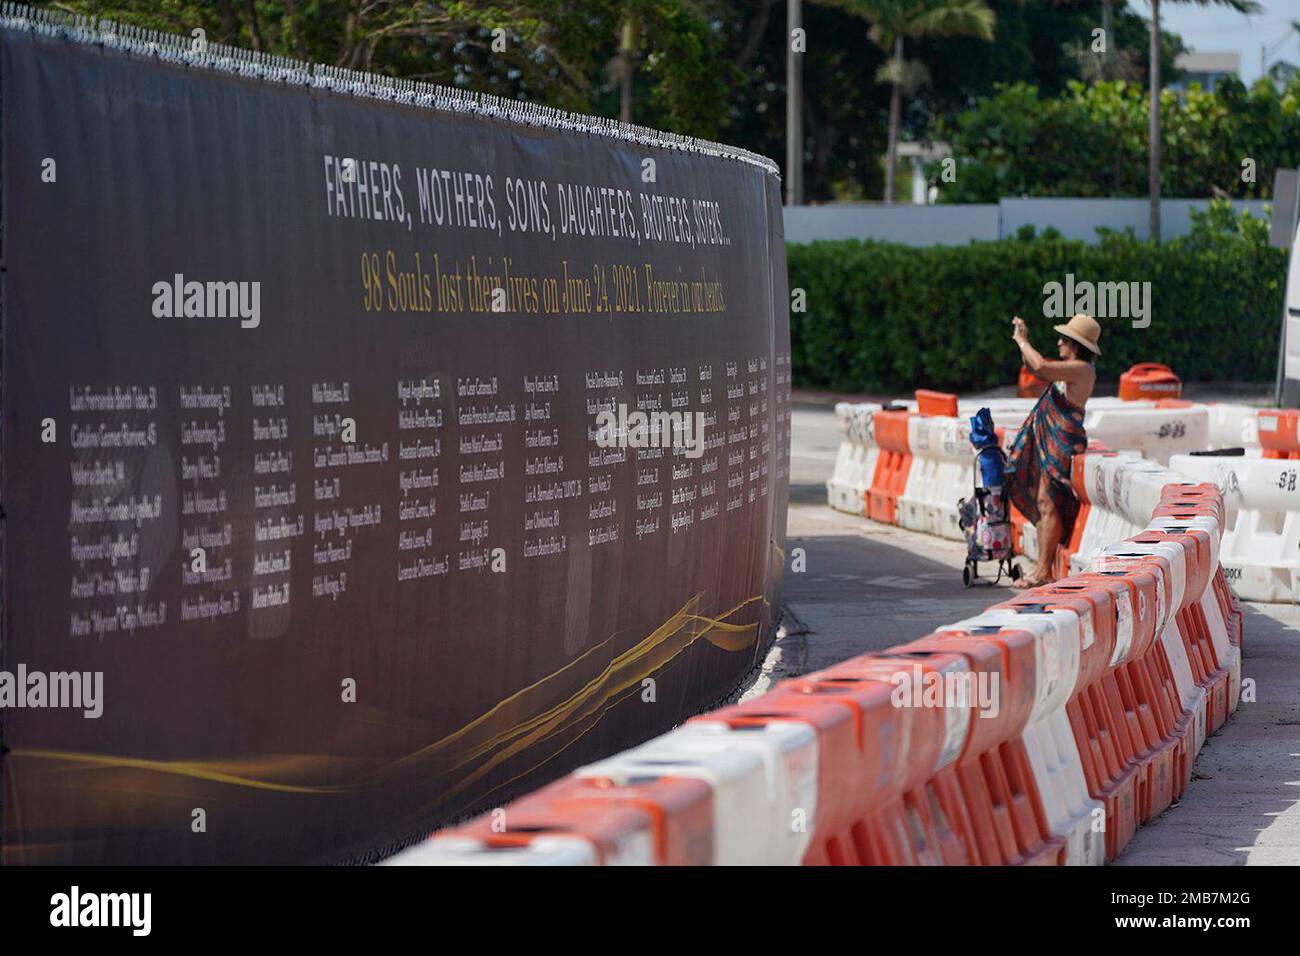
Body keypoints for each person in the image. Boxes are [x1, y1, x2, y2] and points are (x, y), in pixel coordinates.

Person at [1007, 312, 1101, 588]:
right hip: (1053, 443)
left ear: (1076, 345)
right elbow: (1035, 371)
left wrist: (1022, 342)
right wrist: (1025, 347)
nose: (1059, 342)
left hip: (1062, 444)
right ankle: (1042, 568)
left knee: (1049, 504)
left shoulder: (1082, 369)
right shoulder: (1070, 369)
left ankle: (1043, 572)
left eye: (1064, 339)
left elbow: (1040, 367)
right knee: (1044, 504)